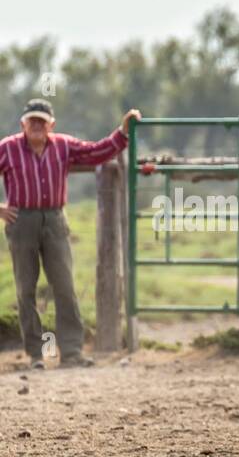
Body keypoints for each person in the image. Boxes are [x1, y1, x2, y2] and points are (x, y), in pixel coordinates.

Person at [0, 100, 141, 368]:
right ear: (23, 124)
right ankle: (35, 355)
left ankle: (72, 352)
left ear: (52, 125)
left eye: (42, 121)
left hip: (54, 218)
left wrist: (122, 133)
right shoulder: (8, 148)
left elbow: (97, 152)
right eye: (33, 121)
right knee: (25, 289)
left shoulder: (63, 145)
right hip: (22, 221)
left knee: (64, 286)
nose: (38, 126)